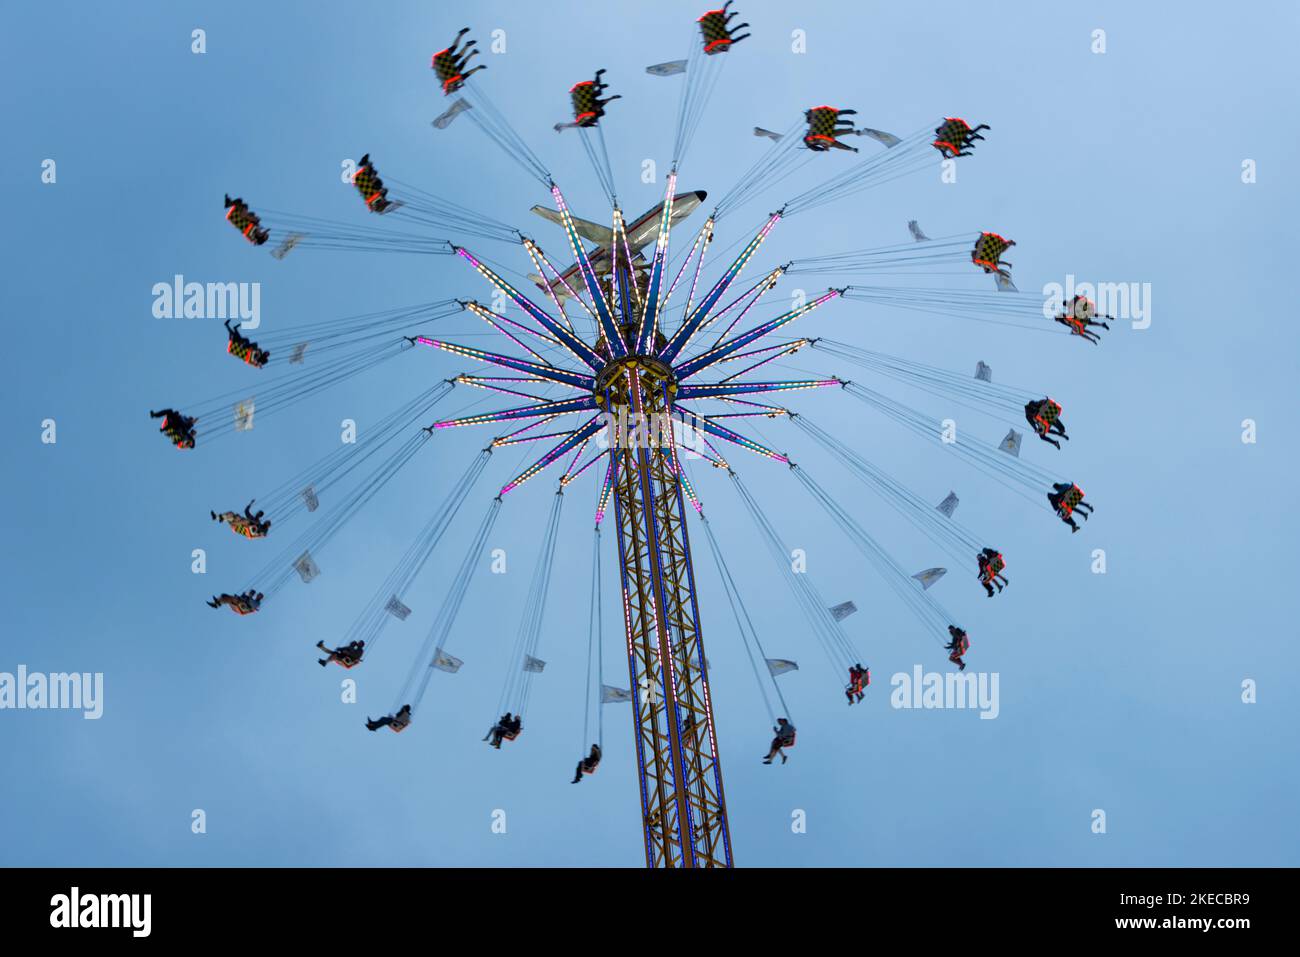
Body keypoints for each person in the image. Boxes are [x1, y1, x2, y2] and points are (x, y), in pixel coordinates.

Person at [431, 27, 486, 94]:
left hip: (444, 63)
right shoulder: (456, 79)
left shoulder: (447, 79)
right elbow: (467, 74)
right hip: (448, 65)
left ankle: (461, 35)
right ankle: (468, 46)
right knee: (460, 59)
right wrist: (478, 68)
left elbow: (439, 74)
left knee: (455, 49)